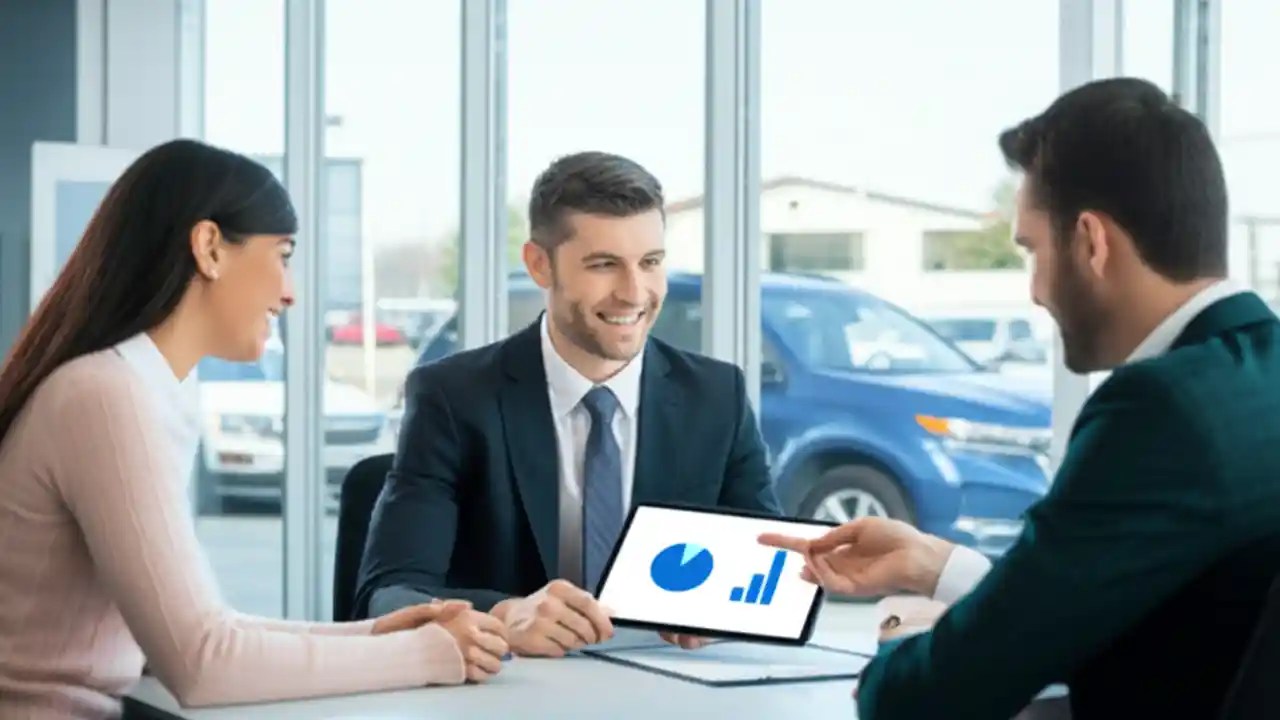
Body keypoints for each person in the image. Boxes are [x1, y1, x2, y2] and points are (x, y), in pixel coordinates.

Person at [761, 77, 1280, 719]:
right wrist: (939, 565)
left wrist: (904, 650)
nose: (1035, 291)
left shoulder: (1160, 407)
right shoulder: (1254, 378)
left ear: (1092, 242)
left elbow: (929, 700)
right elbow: (1110, 589)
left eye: (1033, 250)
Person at [0, 139, 508, 720]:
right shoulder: (103, 396)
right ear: (210, 247)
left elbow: (203, 632)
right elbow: (203, 660)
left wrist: (380, 636)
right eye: (282, 255)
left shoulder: (136, 390)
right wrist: (427, 655)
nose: (289, 292)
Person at [355, 150, 781, 657]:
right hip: (512, 694)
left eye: (650, 263)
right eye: (604, 266)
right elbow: (390, 595)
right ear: (539, 264)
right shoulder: (454, 398)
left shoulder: (716, 398)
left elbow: (772, 579)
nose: (634, 292)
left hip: (671, 688)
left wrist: (726, 611)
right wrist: (504, 614)